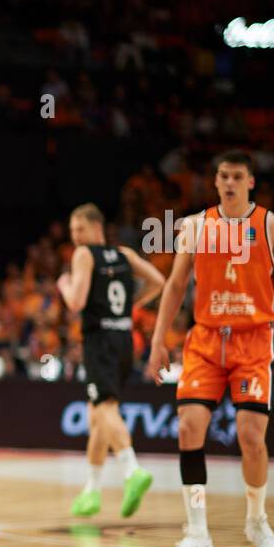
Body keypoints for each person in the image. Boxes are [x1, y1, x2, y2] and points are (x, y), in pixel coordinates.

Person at [147, 150, 274, 547]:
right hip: (207, 340)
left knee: (251, 436)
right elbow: (176, 286)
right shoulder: (195, 226)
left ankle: (257, 520)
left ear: (251, 182)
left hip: (253, 339)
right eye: (223, 176)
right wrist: (159, 338)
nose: (229, 183)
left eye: (237, 176)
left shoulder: (273, 225)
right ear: (215, 182)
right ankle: (197, 534)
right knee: (188, 429)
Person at [56, 203, 163, 518]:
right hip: (124, 338)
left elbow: (76, 302)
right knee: (97, 416)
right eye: (72, 231)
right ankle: (91, 490)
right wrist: (129, 306)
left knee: (104, 407)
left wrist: (64, 285)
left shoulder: (84, 255)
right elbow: (159, 281)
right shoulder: (125, 255)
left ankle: (132, 470)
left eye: (79, 229)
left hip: (99, 340)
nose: (75, 237)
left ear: (96, 227)